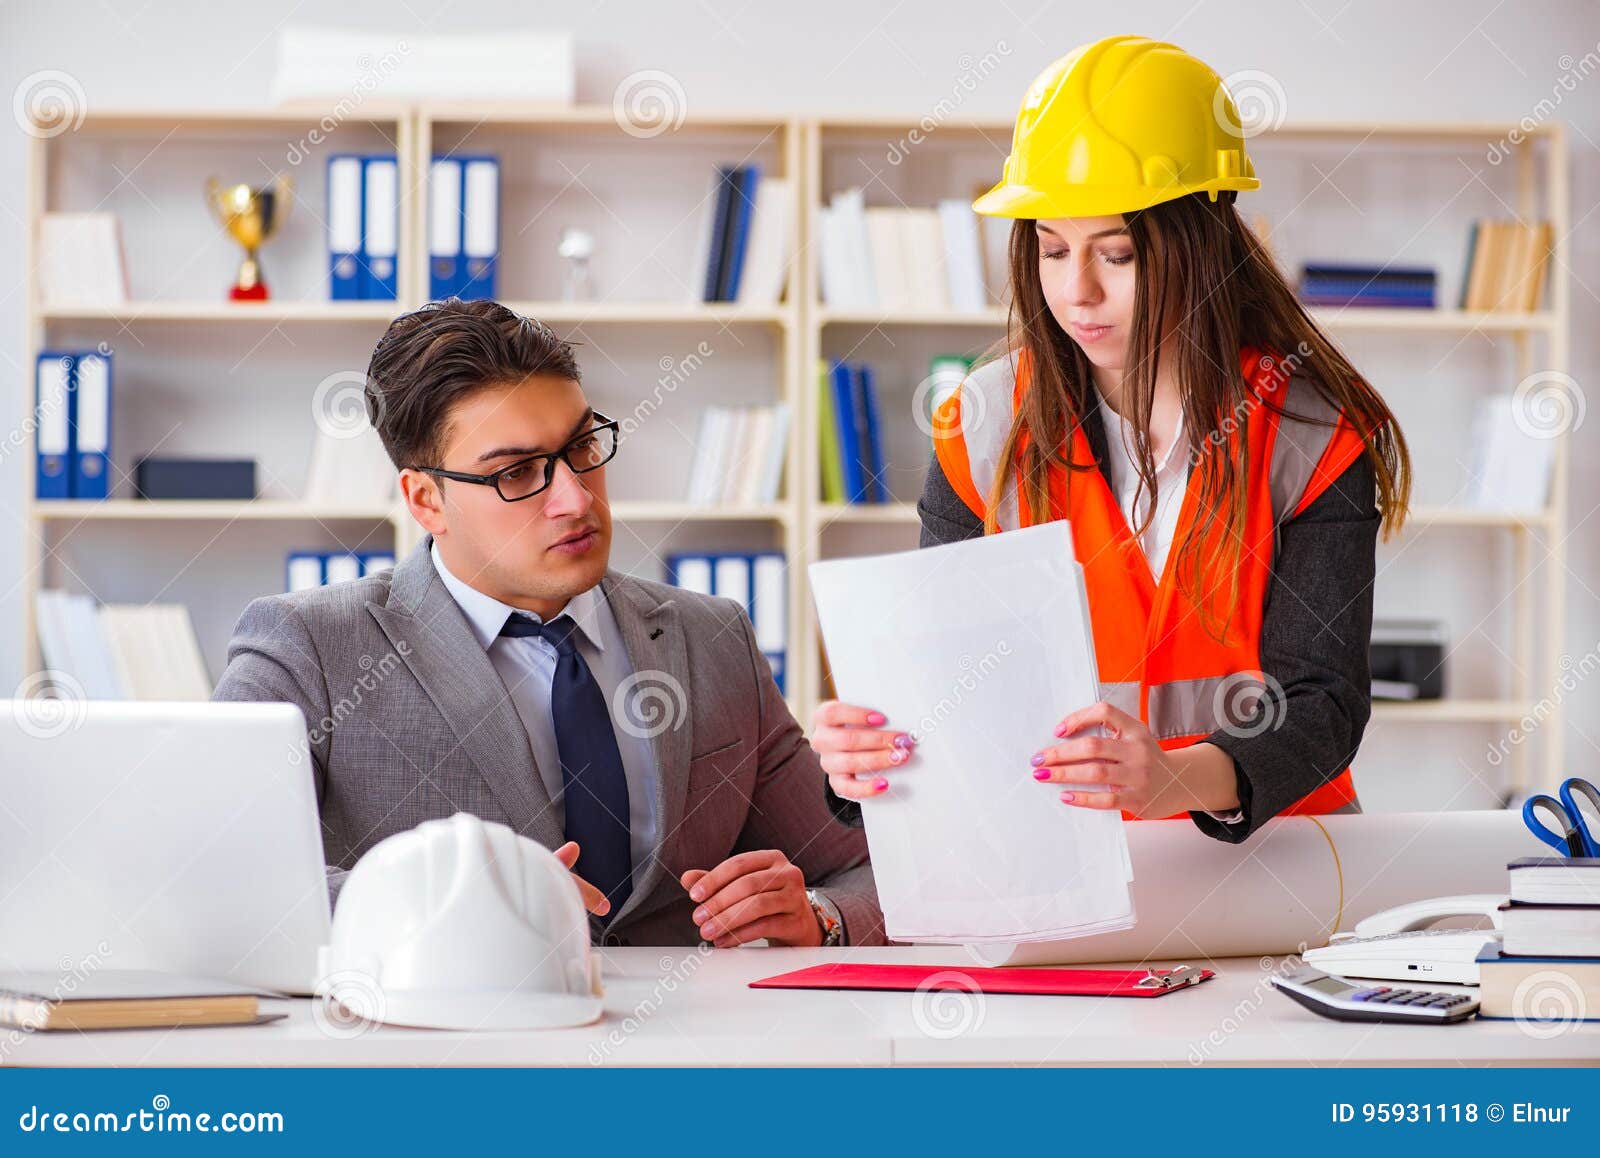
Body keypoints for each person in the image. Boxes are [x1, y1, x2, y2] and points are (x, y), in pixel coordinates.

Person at [811, 34, 1412, 843]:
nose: (1075, 291)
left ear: (1201, 245)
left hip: (1279, 879)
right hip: (1065, 873)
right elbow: (947, 686)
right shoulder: (983, 430)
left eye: (1118, 254)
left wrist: (1176, 777)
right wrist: (865, 762)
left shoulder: (1310, 433)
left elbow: (1324, 704)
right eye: (1052, 249)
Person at [214, 298, 882, 947]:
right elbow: (221, 877)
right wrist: (445, 906)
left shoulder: (712, 639)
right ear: (426, 501)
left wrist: (818, 915)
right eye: (517, 473)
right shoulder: (310, 649)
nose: (574, 498)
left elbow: (871, 868)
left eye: (583, 447)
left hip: (687, 1050)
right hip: (445, 1051)